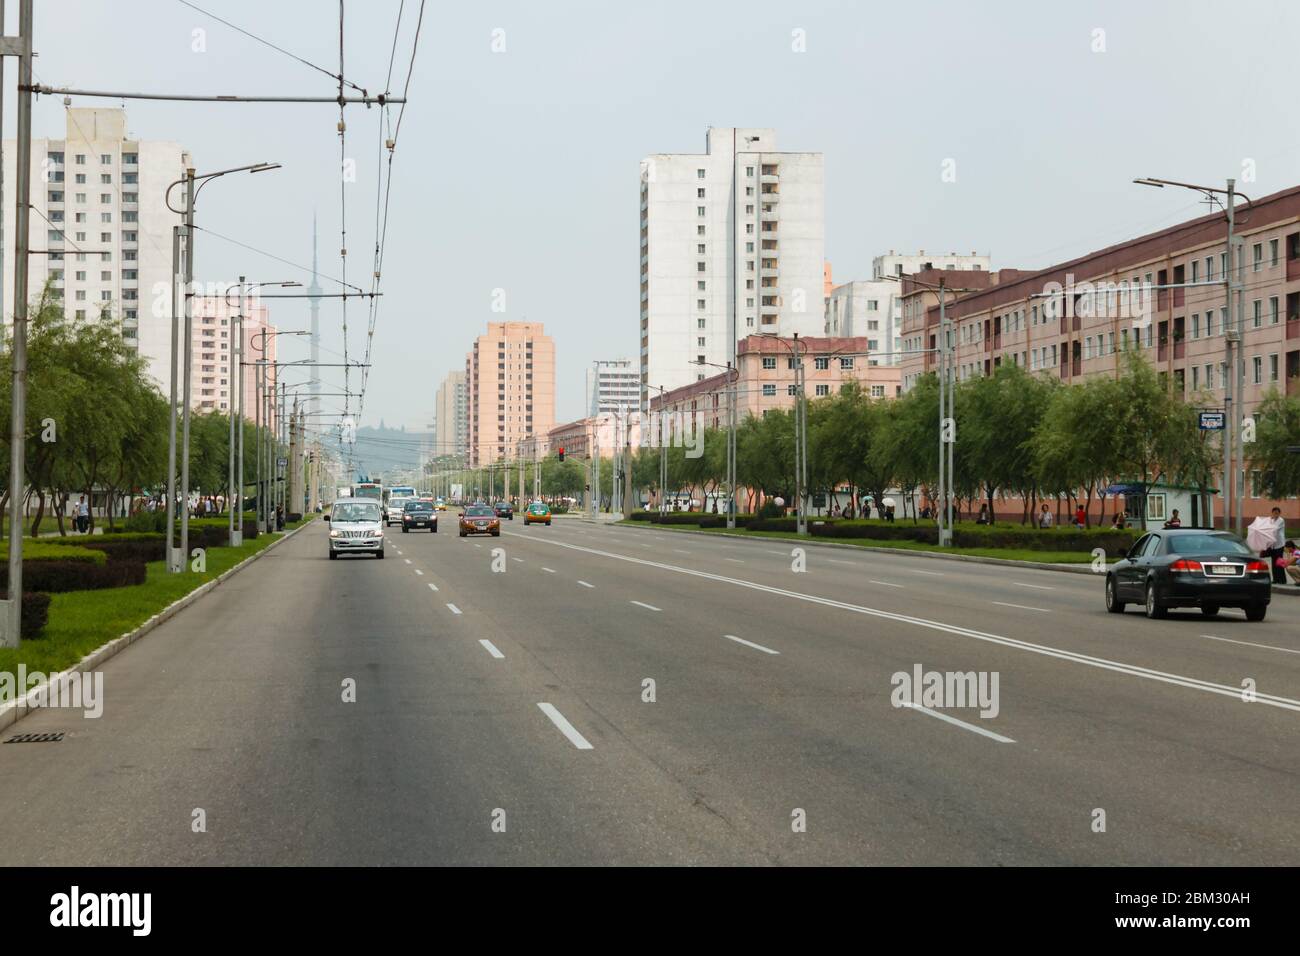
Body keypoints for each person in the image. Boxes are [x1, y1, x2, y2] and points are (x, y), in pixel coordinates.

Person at [1263, 507, 1287, 584]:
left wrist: (1270, 521)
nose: (1275, 514)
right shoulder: (1271, 520)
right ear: (1272, 513)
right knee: (1274, 563)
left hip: (1279, 545)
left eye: (1277, 513)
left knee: (1279, 562)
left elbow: (1274, 528)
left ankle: (1282, 580)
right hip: (1273, 545)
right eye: (1274, 513)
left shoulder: (1281, 520)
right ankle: (1276, 579)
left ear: (1279, 513)